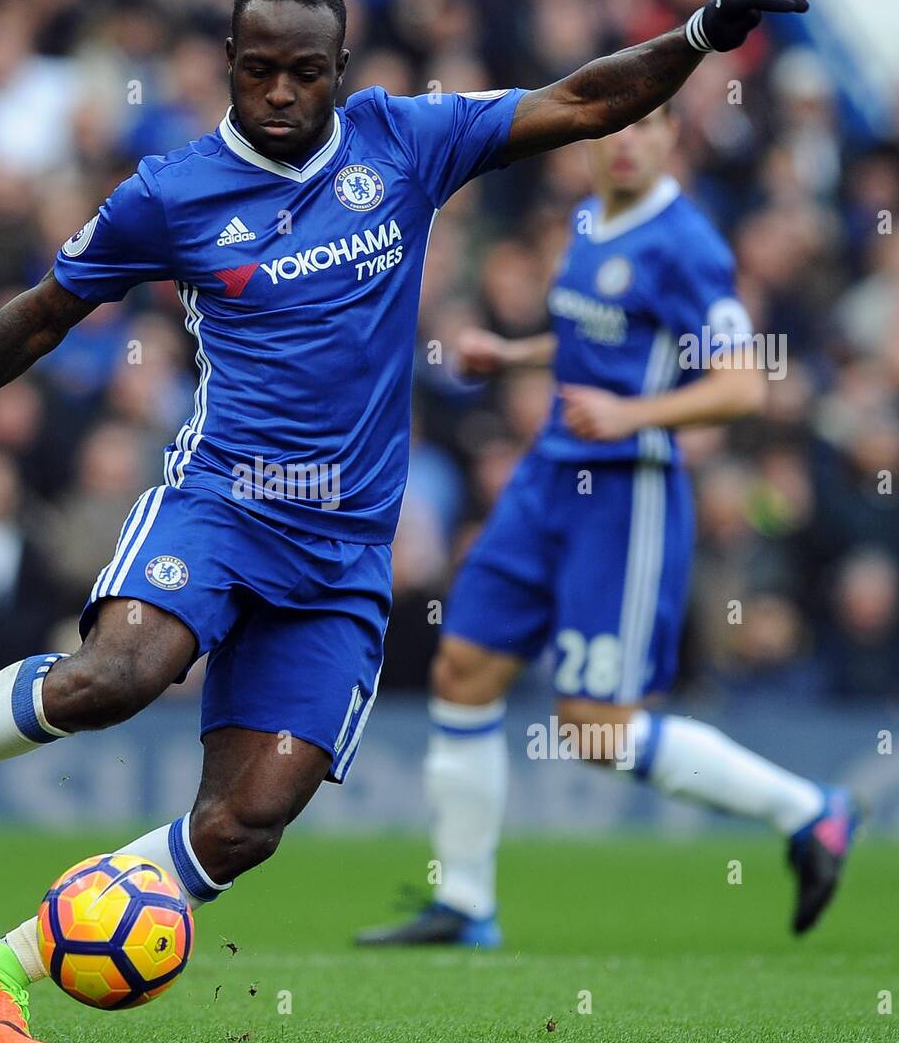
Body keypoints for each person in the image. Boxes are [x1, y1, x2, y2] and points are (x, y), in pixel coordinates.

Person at [0, 0, 814, 1043]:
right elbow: (36, 318)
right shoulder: (171, 192)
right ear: (227, 64)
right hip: (218, 502)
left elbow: (585, 99)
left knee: (245, 823)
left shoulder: (404, 140)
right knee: (117, 676)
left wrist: (698, 30)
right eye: (258, 70)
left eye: (305, 73)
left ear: (340, 74)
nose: (279, 94)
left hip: (345, 554)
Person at [356, 102, 861, 950]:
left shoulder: (688, 246)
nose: (627, 141)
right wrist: (511, 356)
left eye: (650, 125)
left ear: (672, 136)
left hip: (626, 493)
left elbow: (740, 386)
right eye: (614, 127)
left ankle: (810, 810)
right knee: (465, 668)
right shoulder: (588, 222)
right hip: (545, 477)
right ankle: (466, 904)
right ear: (589, 140)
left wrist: (634, 415)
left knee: (593, 729)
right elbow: (593, 339)